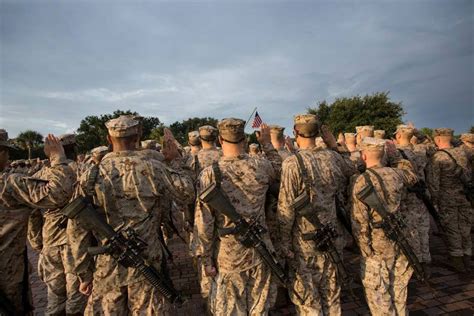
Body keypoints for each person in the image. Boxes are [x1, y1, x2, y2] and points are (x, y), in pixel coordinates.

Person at [69, 115, 195, 315]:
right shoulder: (154, 167)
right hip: (148, 262)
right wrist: (176, 161)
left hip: (108, 268)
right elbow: (187, 193)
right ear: (138, 136)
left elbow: (77, 230)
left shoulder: (91, 175)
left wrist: (84, 273)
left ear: (108, 139)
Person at [195, 119, 281, 315]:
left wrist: (206, 260)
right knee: (259, 309)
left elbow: (204, 223)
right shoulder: (262, 166)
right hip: (260, 251)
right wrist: (266, 144)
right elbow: (280, 170)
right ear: (244, 138)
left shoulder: (210, 174)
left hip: (228, 257)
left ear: (219, 139)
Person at [277, 114, 347, 315]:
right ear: (318, 133)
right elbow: (352, 170)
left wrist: (285, 243)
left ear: (295, 132)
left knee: (308, 299)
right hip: (332, 236)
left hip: (305, 241)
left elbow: (286, 209)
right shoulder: (333, 158)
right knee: (332, 294)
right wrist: (334, 146)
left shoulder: (293, 163)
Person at [0, 131, 75, 315]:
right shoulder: (8, 184)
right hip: (6, 277)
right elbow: (57, 193)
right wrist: (58, 158)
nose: (8, 157)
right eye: (6, 152)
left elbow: (34, 217)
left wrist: (37, 243)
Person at [350, 137, 418, 315]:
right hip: (401, 238)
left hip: (377, 242)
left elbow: (360, 221)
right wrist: (396, 157)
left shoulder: (361, 181)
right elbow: (413, 176)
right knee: (399, 287)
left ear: (363, 156)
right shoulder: (397, 174)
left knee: (379, 294)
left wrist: (365, 250)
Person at [426, 128, 473, 272]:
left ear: (438, 139)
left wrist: (433, 201)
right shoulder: (463, 152)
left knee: (452, 228)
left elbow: (433, 183)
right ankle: (467, 256)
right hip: (464, 196)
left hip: (447, 198)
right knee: (465, 227)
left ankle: (457, 260)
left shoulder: (438, 157)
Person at [395, 125, 431, 274]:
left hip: (407, 198)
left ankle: (415, 264)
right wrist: (415, 131)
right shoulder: (421, 151)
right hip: (421, 196)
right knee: (423, 229)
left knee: (411, 232)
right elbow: (428, 142)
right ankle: (425, 261)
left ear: (397, 136)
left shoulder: (395, 154)